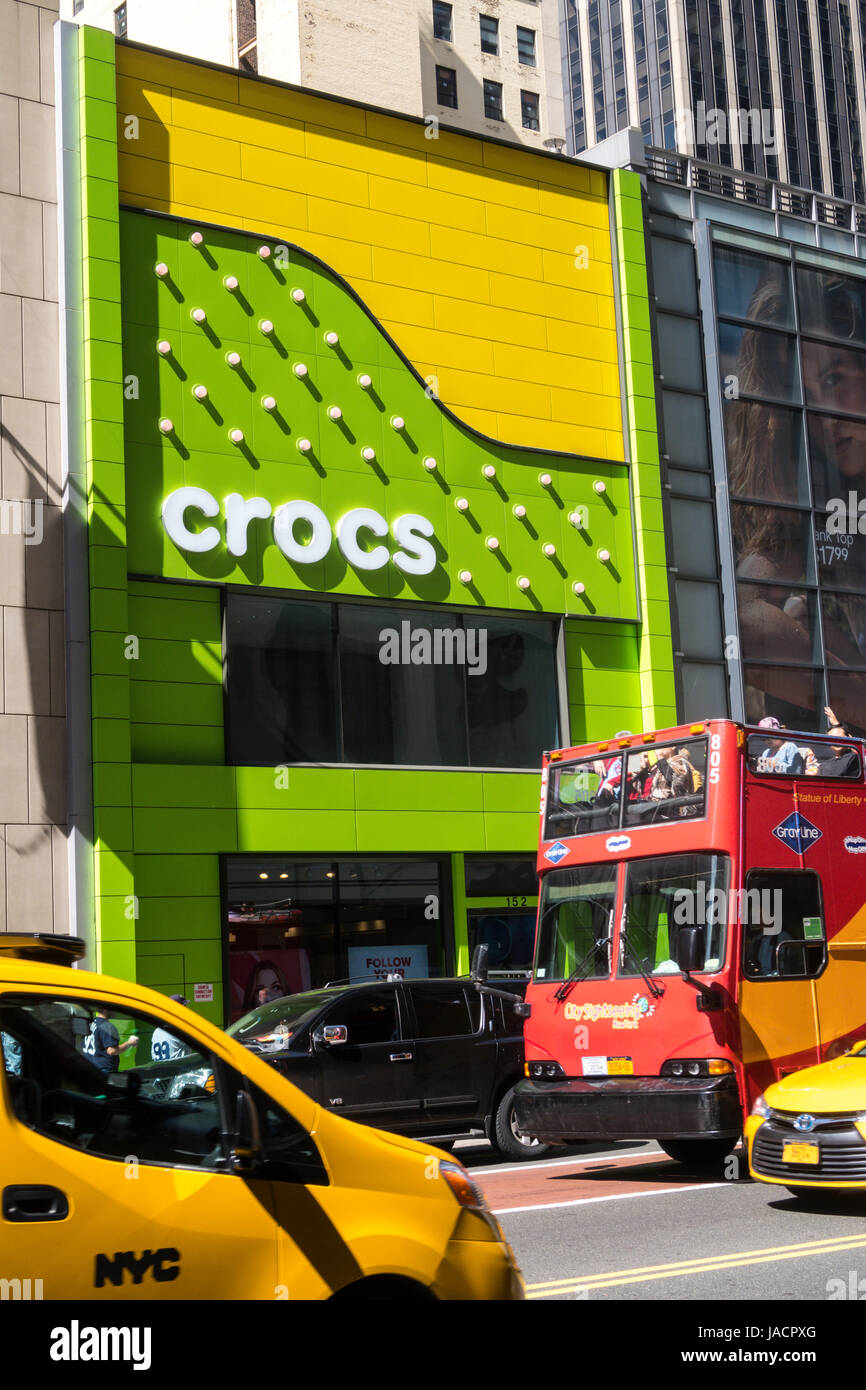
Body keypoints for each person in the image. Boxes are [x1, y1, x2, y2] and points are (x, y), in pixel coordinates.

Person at [83, 1007, 138, 1075]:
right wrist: (130, 1043)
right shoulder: (107, 1026)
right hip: (104, 1071)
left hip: (91, 1068)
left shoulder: (91, 1024)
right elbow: (112, 1051)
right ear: (105, 1009)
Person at [151, 996, 192, 1063]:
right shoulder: (178, 1029)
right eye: (184, 1007)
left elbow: (153, 1056)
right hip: (177, 1071)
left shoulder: (157, 1031)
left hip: (160, 1070)